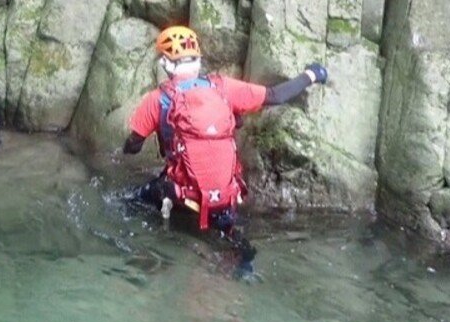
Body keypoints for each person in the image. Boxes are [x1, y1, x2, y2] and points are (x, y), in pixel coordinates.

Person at [122, 25, 328, 276]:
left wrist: (132, 142)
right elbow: (275, 96)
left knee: (129, 200)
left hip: (180, 192)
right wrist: (313, 74)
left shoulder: (157, 100)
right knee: (232, 236)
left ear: (166, 63)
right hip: (224, 196)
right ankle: (244, 268)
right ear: (198, 60)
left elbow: (133, 147)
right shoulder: (222, 88)